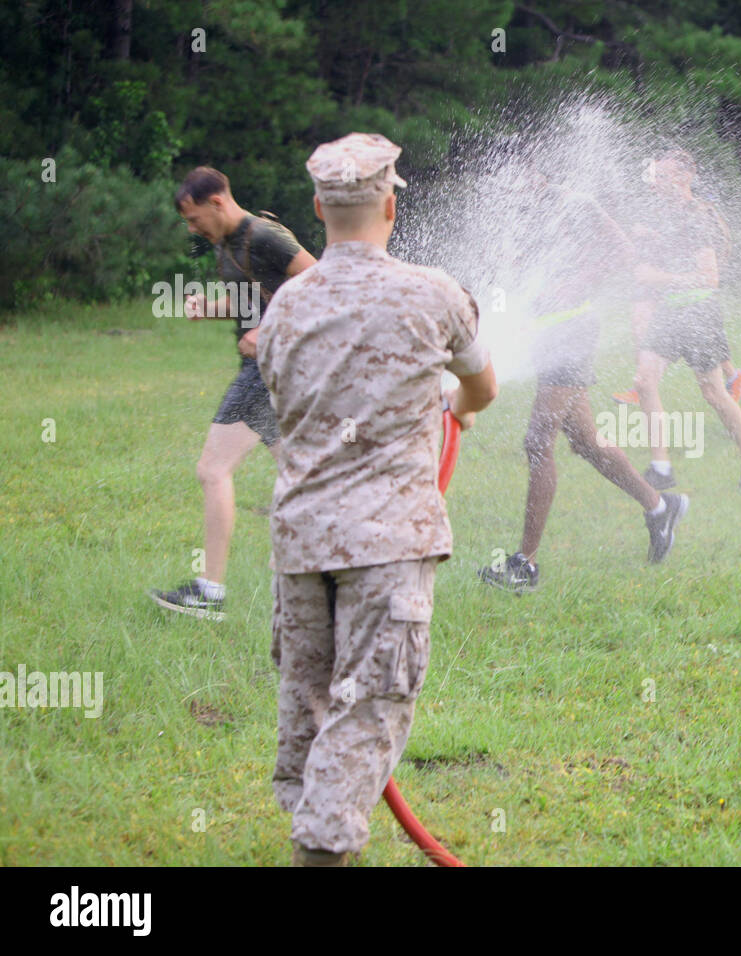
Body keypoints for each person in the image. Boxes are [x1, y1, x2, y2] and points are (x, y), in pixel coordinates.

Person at [256, 133, 497, 865]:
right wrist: (457, 403)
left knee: (308, 703)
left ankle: (313, 822)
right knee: (369, 708)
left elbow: (286, 401)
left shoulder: (285, 307)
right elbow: (482, 387)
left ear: (319, 209)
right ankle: (322, 852)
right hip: (387, 544)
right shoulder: (435, 294)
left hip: (300, 541)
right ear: (391, 205)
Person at [478, 167, 687, 593]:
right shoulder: (518, 211)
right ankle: (659, 505)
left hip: (572, 332)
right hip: (545, 334)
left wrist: (579, 280)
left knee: (538, 441)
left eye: (518, 172)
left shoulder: (574, 202)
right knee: (586, 441)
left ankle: (525, 564)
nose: (510, 182)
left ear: (537, 172)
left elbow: (623, 250)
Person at [149, 167, 315, 622]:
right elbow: (256, 299)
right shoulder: (226, 243)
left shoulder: (264, 236)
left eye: (193, 217)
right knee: (301, 473)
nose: (191, 228)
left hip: (270, 369)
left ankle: (210, 591)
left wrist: (266, 332)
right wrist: (213, 308)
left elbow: (322, 285)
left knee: (213, 468)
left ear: (218, 202)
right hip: (270, 370)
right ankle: (330, 569)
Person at [628, 149, 741, 491]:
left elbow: (709, 278)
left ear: (684, 178)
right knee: (645, 382)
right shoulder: (668, 213)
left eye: (662, 176)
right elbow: (673, 246)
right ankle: (661, 468)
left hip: (698, 312)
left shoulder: (698, 217)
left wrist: (656, 277)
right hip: (669, 312)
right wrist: (651, 237)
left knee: (714, 394)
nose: (656, 183)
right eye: (655, 176)